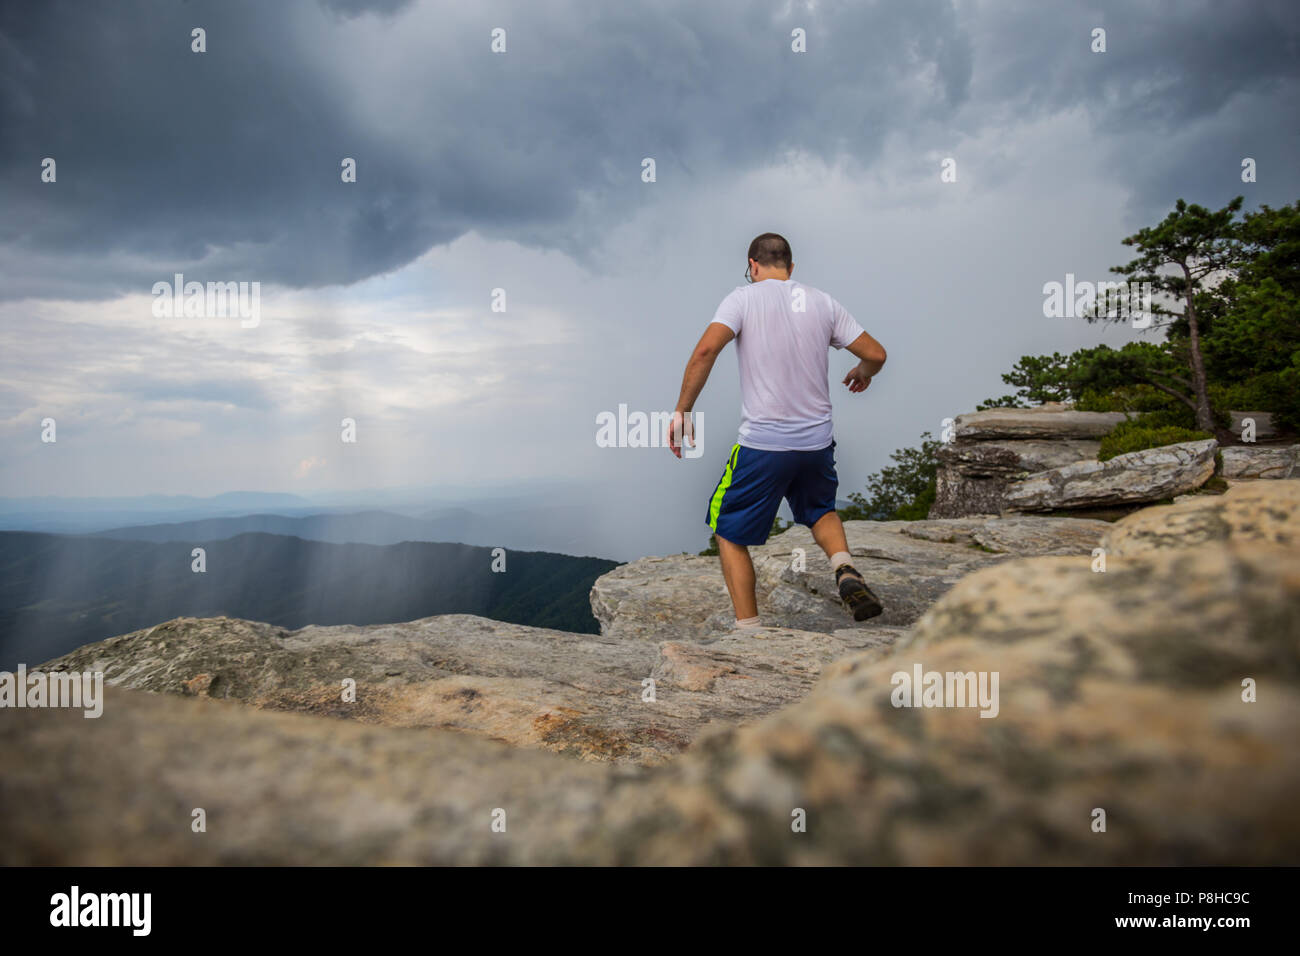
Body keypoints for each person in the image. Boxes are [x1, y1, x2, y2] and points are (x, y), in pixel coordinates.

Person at [668, 232, 887, 627]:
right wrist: (862, 372)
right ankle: (845, 569)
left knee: (728, 530)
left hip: (764, 444)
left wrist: (683, 410)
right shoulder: (822, 301)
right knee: (821, 510)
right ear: (791, 267)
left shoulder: (742, 299)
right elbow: (876, 354)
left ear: (753, 265)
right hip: (816, 442)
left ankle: (749, 633)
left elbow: (705, 351)